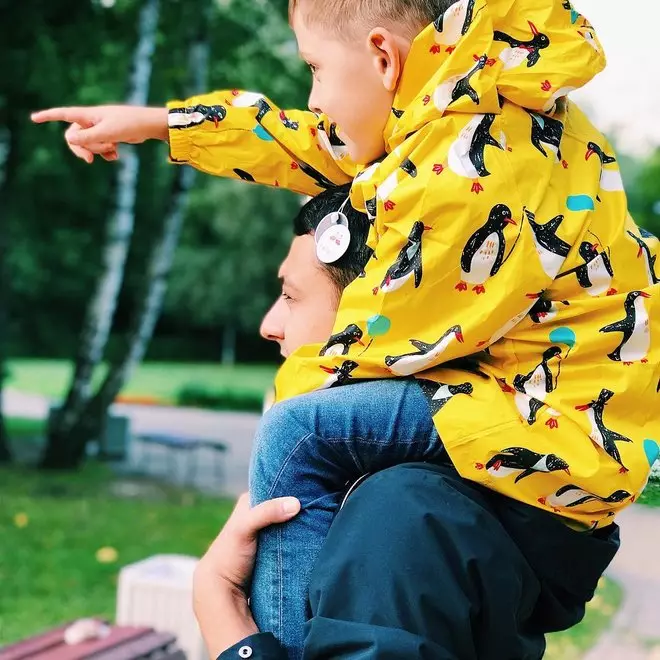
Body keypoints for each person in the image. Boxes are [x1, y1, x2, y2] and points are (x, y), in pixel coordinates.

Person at [32, 0, 659, 654]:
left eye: (314, 70)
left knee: (299, 427)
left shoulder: (470, 166)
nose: (313, 96)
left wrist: (295, 392)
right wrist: (165, 124)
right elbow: (315, 141)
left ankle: (288, 642)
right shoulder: (474, 117)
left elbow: (382, 342)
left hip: (552, 423)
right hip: (564, 418)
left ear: (384, 58)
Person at [193, 463, 620, 660]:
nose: (270, 324)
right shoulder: (438, 505)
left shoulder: (398, 518)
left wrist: (222, 610)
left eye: (292, 296)